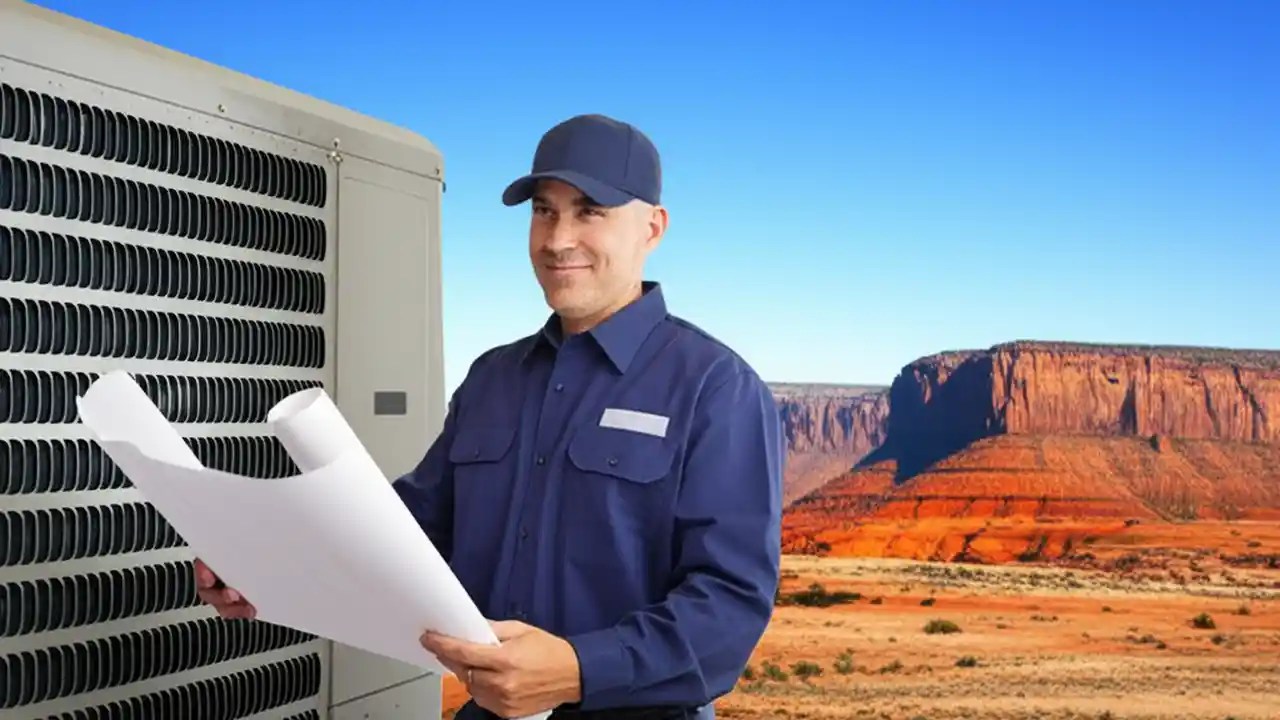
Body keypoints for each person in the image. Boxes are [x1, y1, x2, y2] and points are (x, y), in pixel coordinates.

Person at [193, 113, 784, 720]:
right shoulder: (493, 378)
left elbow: (730, 605)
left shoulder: (716, 389)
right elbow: (408, 534)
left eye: (590, 212)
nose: (558, 240)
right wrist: (272, 562)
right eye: (544, 211)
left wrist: (578, 671)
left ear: (652, 228)